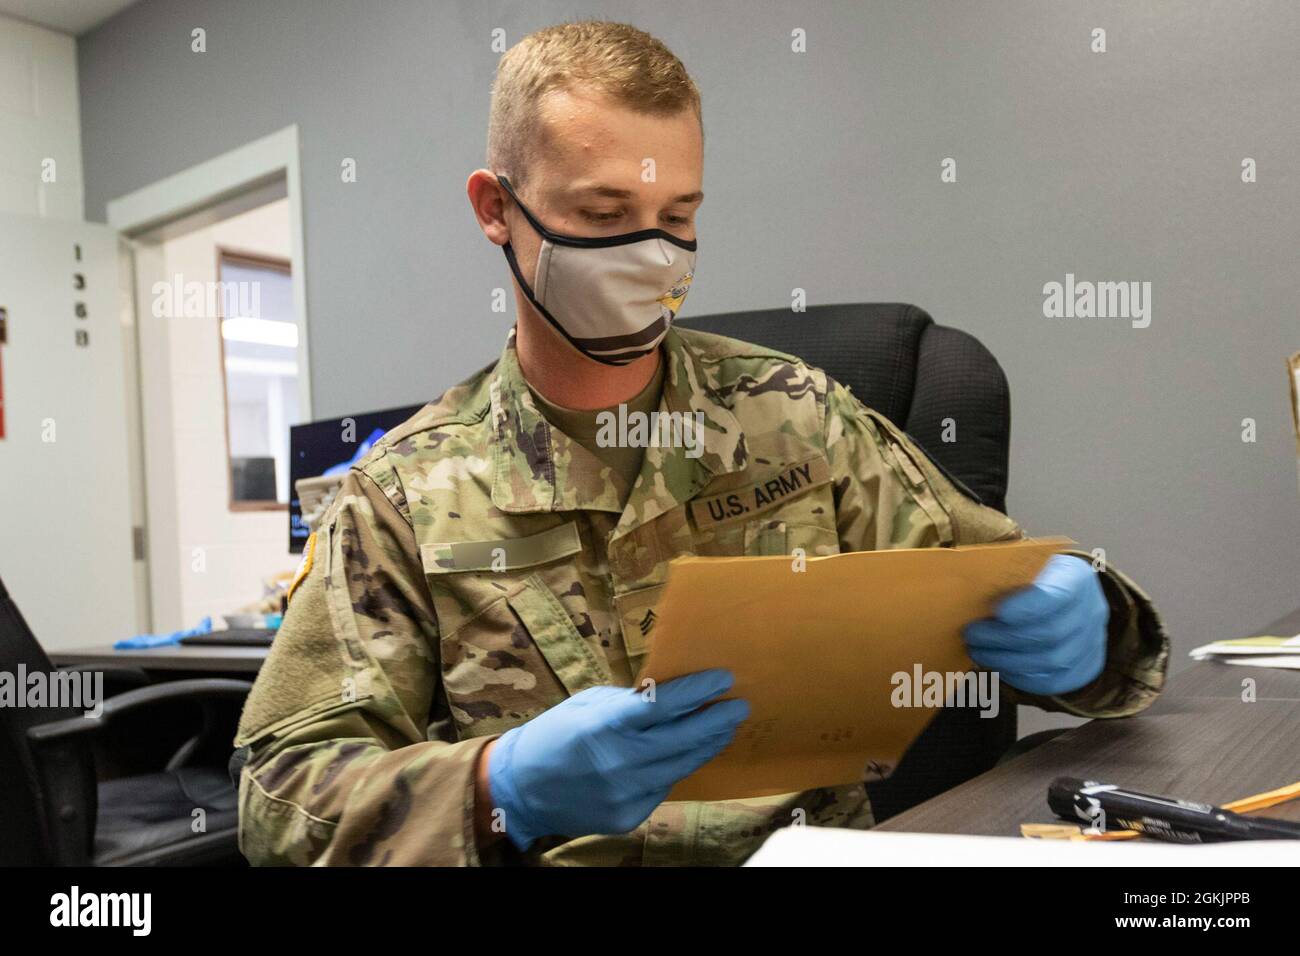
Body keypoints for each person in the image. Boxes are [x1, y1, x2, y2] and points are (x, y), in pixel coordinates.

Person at [232, 20, 1168, 866]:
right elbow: (282, 801)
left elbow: (1031, 602)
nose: (652, 256)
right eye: (603, 217)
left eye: (678, 219)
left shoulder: (797, 416)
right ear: (496, 209)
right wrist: (494, 789)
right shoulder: (402, 493)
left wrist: (1089, 628)